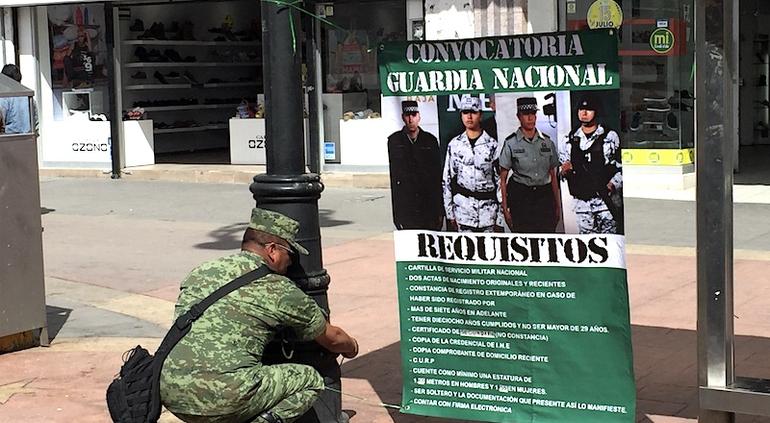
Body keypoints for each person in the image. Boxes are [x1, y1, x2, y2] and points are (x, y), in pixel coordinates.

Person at [160, 208, 359, 423]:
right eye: (290, 254)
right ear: (272, 250)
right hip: (223, 397)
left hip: (170, 392)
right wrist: (352, 347)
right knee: (309, 379)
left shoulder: (203, 270)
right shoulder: (279, 289)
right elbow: (333, 337)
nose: (291, 262)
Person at [559, 95, 623, 234]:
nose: (584, 113)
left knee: (610, 243)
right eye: (581, 109)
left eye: (589, 109)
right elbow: (562, 170)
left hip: (605, 203)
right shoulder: (569, 140)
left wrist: (613, 184)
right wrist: (564, 171)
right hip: (582, 204)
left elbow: (621, 168)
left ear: (596, 112)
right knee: (588, 245)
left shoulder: (609, 137)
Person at [499, 97, 561, 233]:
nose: (530, 118)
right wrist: (505, 209)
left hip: (544, 197)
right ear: (518, 116)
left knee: (546, 241)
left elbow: (553, 176)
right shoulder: (511, 143)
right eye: (526, 114)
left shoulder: (547, 142)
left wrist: (558, 206)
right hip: (521, 198)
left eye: (533, 114)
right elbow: (502, 179)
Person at [442, 96, 503, 233]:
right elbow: (446, 181)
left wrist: (500, 218)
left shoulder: (492, 145)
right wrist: (450, 214)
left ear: (480, 115)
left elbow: (500, 183)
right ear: (461, 115)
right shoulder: (454, 145)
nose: (469, 116)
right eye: (465, 112)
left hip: (489, 216)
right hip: (462, 214)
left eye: (473, 112)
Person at [387, 100, 443, 230]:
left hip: (427, 206)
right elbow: (394, 180)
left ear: (419, 116)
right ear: (403, 117)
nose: (411, 119)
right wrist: (397, 214)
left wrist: (439, 211)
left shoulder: (430, 140)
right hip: (407, 206)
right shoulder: (395, 141)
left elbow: (436, 178)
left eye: (414, 115)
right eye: (408, 115)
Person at [0, 64, 36, 134]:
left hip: (9, 139)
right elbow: (35, 120)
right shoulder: (28, 97)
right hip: (28, 138)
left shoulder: (4, 98)